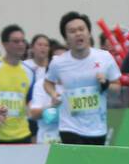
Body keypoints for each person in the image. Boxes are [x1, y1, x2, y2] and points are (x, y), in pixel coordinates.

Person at [44, 12, 121, 145]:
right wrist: (53, 93)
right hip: (69, 127)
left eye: (81, 29)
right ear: (66, 38)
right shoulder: (58, 62)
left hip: (97, 128)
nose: (78, 34)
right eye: (72, 31)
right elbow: (48, 82)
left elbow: (117, 88)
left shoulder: (105, 57)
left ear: (89, 33)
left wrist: (106, 84)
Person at [0, 24, 38, 144]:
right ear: (4, 44)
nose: (21, 45)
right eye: (16, 41)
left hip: (23, 134)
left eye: (22, 41)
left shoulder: (29, 72)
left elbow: (28, 102)